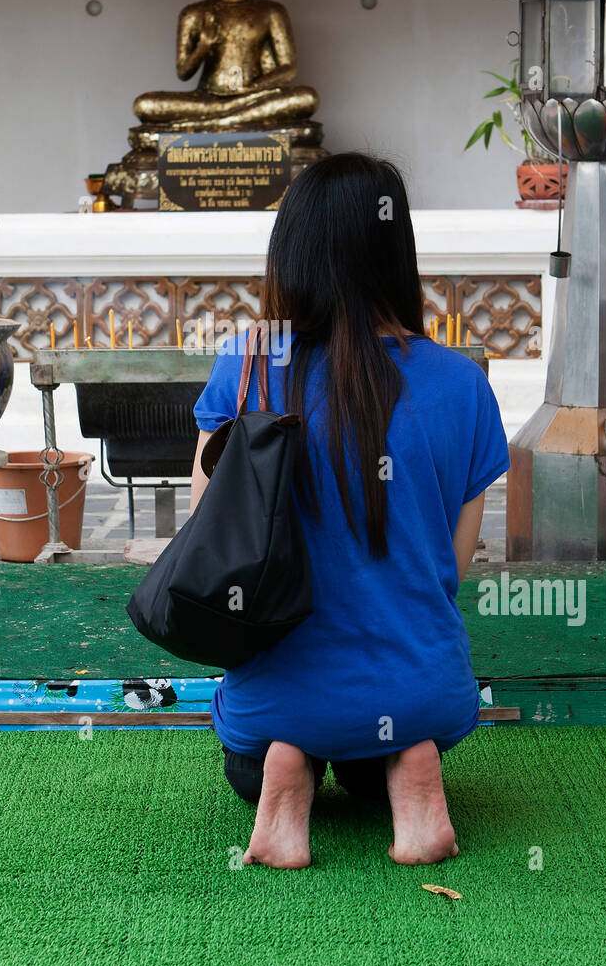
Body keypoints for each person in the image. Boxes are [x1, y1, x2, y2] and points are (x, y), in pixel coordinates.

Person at [189, 153, 509, 870]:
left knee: (247, 763)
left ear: (292, 251)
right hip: (424, 693)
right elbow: (449, 570)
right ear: (396, 250)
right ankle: (410, 764)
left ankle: (287, 762)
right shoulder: (462, 384)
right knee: (372, 764)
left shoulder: (246, 362)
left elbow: (207, 534)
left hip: (275, 703)